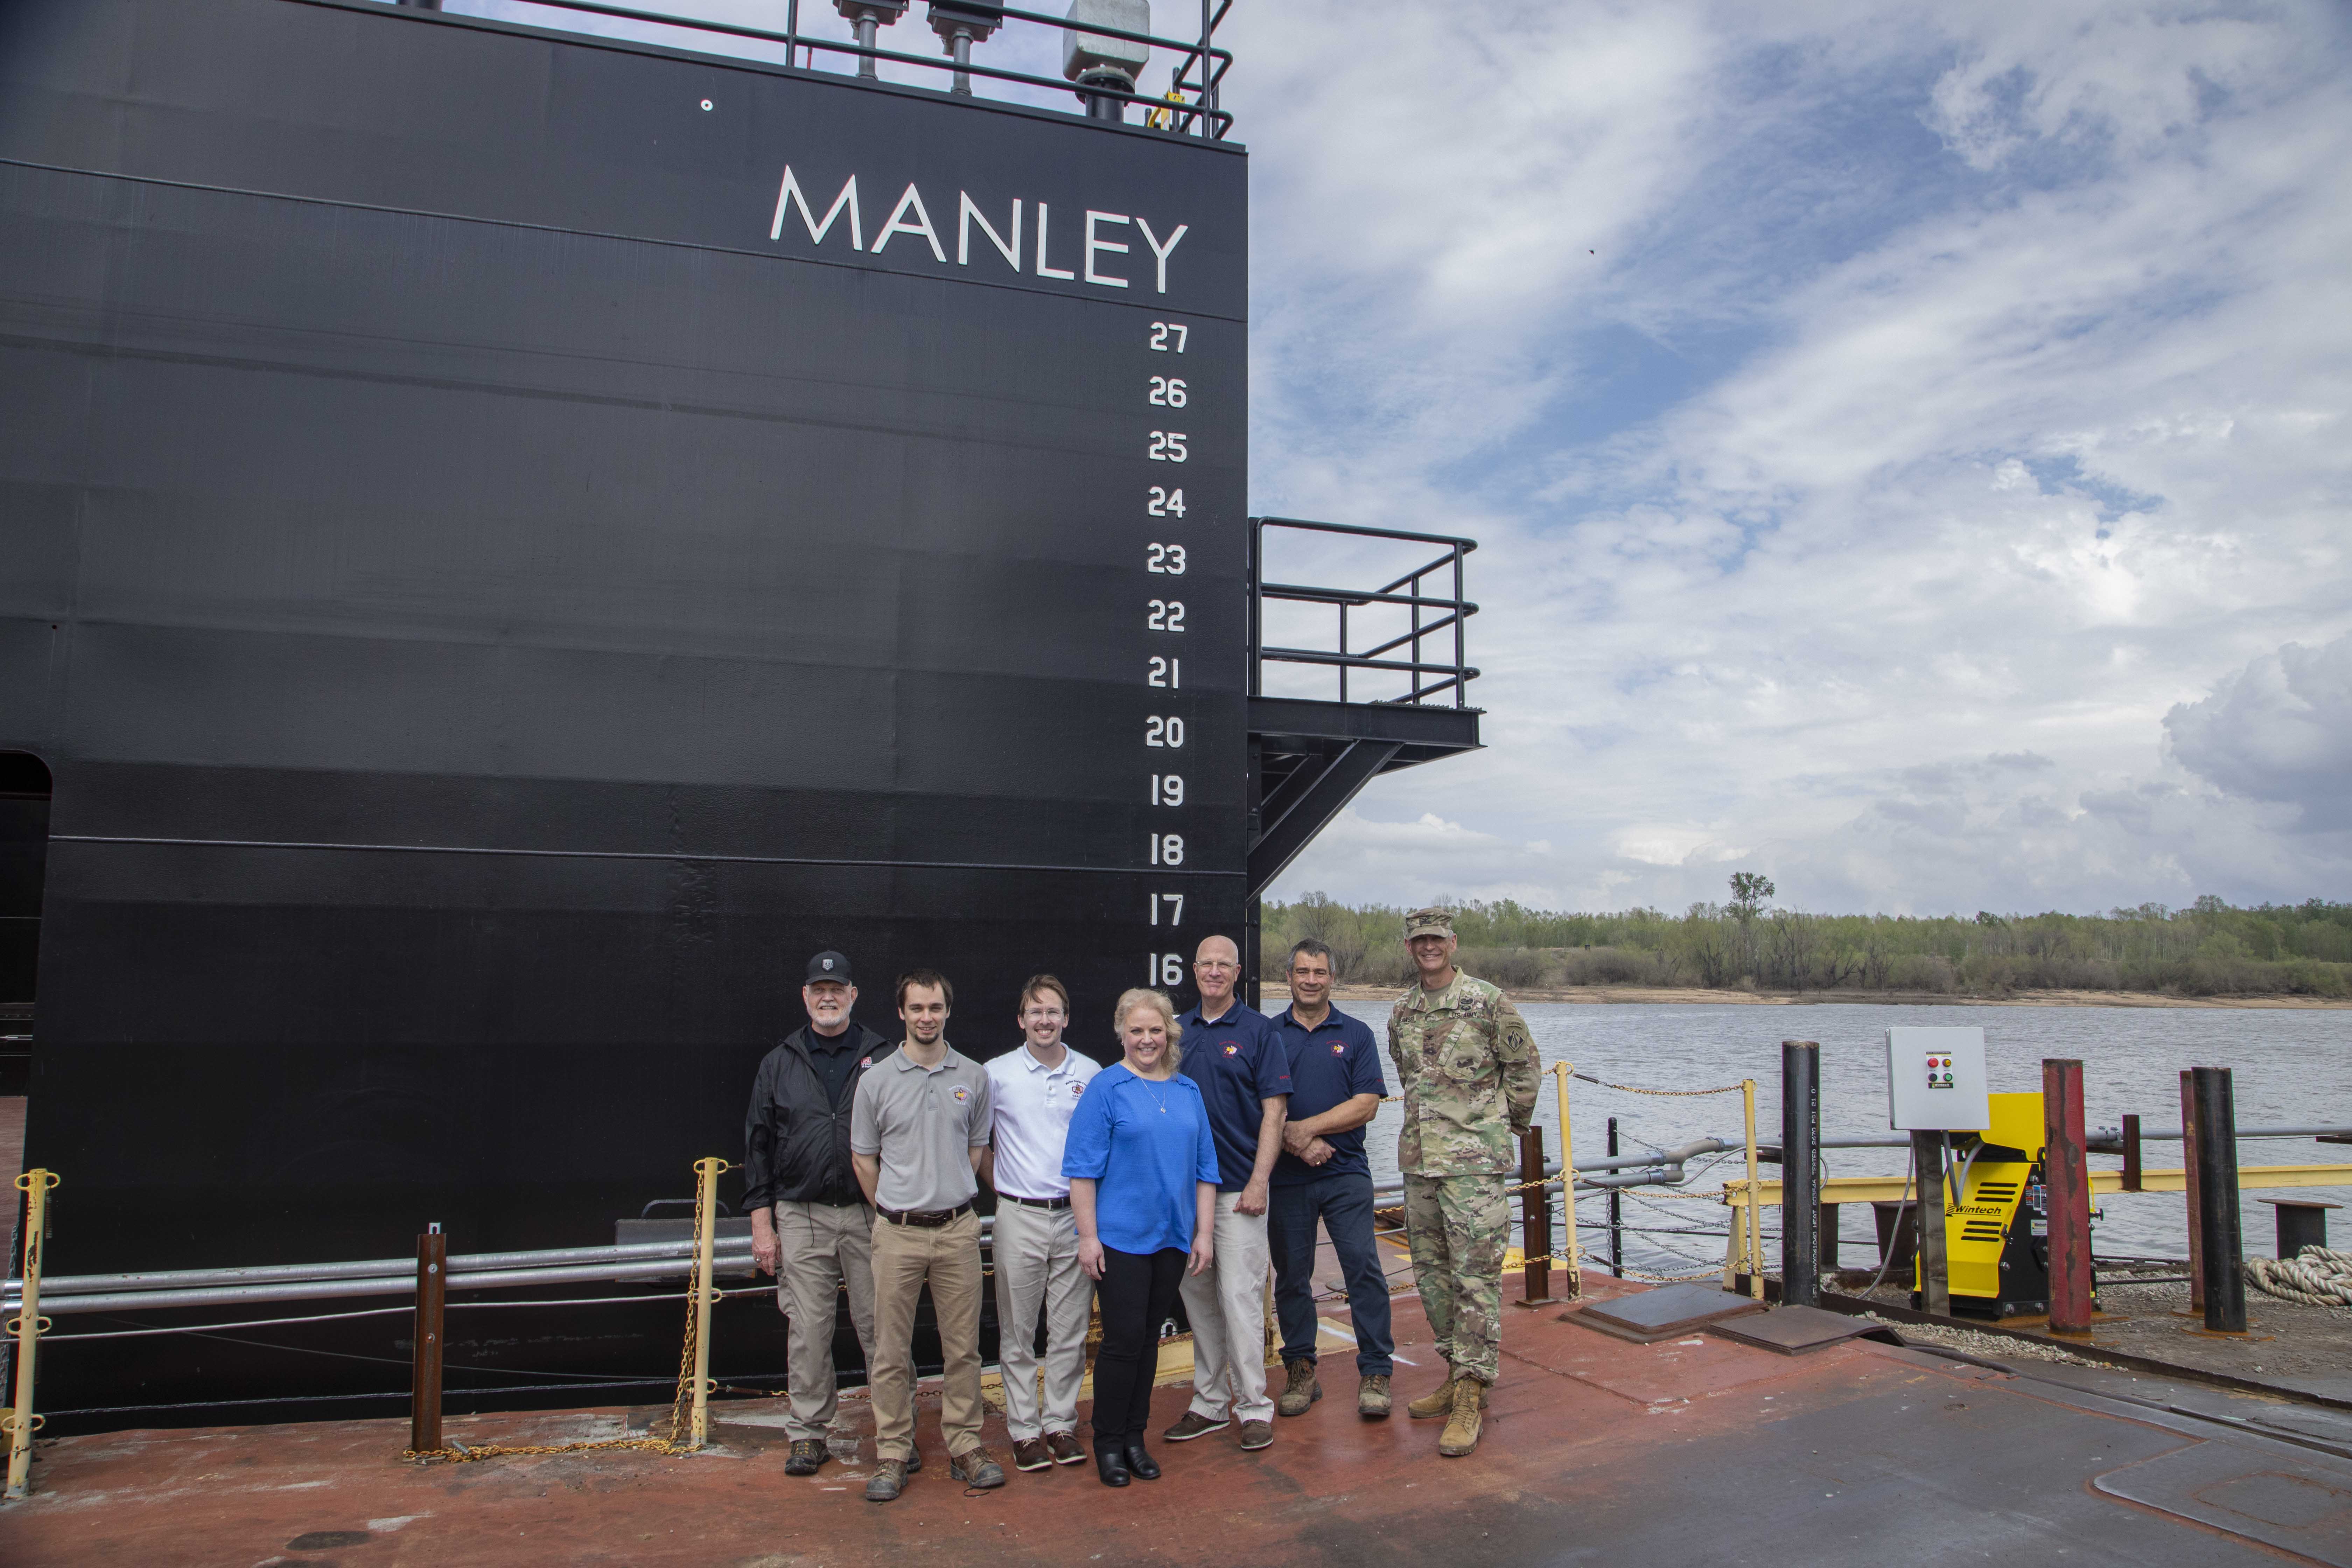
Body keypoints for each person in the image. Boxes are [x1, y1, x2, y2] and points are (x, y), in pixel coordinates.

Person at [1386, 907, 1539, 1458]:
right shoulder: (1402, 1011)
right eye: (1419, 941)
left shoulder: (1488, 1002)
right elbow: (1408, 1076)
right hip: (1421, 1163)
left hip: (1474, 1169)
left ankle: (1472, 1393)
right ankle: (1456, 1373)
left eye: (1436, 939)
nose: (1428, 948)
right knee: (1431, 1277)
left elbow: (1524, 1070)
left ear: (1453, 943)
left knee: (1475, 1280)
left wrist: (1498, 1130)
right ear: (1410, 948)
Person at [741, 950, 897, 1478]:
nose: (828, 998)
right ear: (806, 997)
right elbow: (758, 1146)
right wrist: (762, 1223)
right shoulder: (779, 1062)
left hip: (871, 1214)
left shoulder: (884, 1056)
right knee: (808, 1333)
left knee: (883, 1329)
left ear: (853, 995)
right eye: (819, 990)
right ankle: (808, 1435)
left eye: (837, 990)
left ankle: (895, 1434)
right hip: (801, 1215)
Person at [850, 969, 1004, 1501]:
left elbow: (976, 1149)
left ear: (947, 1011)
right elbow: (864, 1159)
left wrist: (945, 1194)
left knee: (963, 1349)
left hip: (958, 1231)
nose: (926, 1017)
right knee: (891, 1351)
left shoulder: (974, 1077)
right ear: (901, 1012)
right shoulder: (875, 1082)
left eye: (935, 1007)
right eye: (917, 1008)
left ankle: (966, 1445)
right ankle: (894, 1451)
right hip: (897, 1235)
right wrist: (896, 1210)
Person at [1061, 988, 1218, 1489]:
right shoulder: (1106, 1089)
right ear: (1122, 1034)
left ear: (1169, 1033)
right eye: (1136, 1031)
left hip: (1172, 1240)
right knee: (1122, 1342)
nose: (1147, 1040)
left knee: (1149, 1341)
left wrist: (1204, 1233)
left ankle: (1135, 1438)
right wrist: (1088, 1238)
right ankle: (1108, 1443)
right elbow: (1081, 1172)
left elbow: (1205, 1171)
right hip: (1121, 1241)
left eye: (1155, 1030)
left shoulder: (1188, 1091)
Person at [1163, 934, 1289, 1451]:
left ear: (1238, 973)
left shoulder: (1261, 1032)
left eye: (1224, 965)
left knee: (1240, 1301)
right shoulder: (1176, 1032)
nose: (1214, 972)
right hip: (1186, 1199)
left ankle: (1254, 1406)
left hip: (1239, 1193)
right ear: (1194, 971)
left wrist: (1260, 1182)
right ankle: (1210, 1403)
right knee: (1199, 1305)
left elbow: (1275, 1112)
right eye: (1206, 964)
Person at [1267, 938, 1396, 1420]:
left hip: (1346, 1174)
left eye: (1319, 972)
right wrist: (1297, 1142)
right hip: (1286, 1179)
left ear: (1332, 978)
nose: (1311, 980)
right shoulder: (1268, 1034)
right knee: (1292, 1277)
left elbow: (1367, 1104)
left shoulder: (1357, 1034)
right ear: (1289, 977)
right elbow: (1253, 1103)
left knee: (1363, 1268)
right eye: (1302, 972)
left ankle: (1376, 1371)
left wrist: (1308, 1129)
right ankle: (1301, 1370)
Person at [981, 974, 1100, 1472]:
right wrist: (1008, 1189)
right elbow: (978, 1145)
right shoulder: (996, 1074)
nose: (1044, 1021)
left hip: (1075, 1217)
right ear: (1021, 1020)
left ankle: (1060, 1424)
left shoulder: (1090, 1073)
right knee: (1018, 1332)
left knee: (1070, 1331)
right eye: (1036, 1012)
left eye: (1053, 1012)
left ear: (1066, 1018)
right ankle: (1025, 1432)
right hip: (1019, 1216)